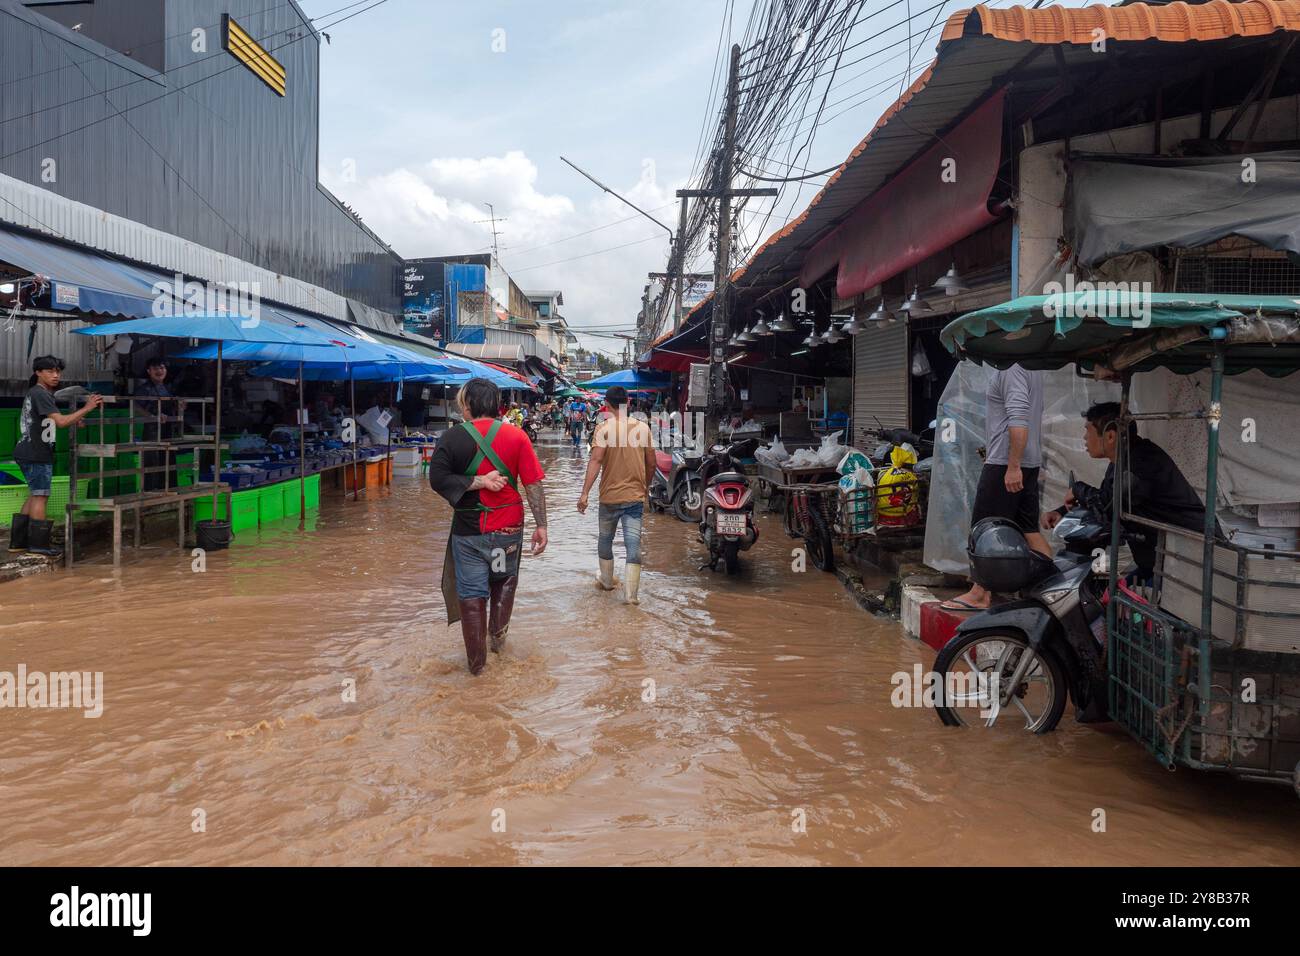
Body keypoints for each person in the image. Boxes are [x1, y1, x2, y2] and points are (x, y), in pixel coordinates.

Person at [427, 377, 548, 674]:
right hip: (507, 531)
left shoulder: (451, 438)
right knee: (502, 582)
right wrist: (541, 525)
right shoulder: (517, 437)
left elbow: (437, 479)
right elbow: (533, 485)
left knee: (471, 593)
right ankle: (498, 644)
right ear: (496, 405)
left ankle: (477, 668)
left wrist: (476, 481)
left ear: (467, 405)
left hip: (469, 533)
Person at [1042, 402, 1209, 580]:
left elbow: (1109, 505)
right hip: (1160, 560)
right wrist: (1062, 513)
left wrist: (1077, 489)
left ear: (1111, 436)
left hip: (1188, 562)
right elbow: (1105, 501)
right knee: (1112, 597)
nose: (1084, 437)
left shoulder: (1140, 463)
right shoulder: (1123, 460)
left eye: (1088, 431)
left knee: (1118, 599)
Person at [942, 363, 1050, 611]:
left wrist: (1013, 466)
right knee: (1028, 528)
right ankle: (1052, 586)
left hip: (1005, 461)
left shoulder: (1011, 369)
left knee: (984, 528)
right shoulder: (1033, 368)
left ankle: (980, 593)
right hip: (1027, 460)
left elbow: (1018, 419)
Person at [9, 356, 103, 556]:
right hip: (35, 453)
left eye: (58, 372)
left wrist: (76, 418)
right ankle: (39, 546)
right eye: (50, 371)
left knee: (35, 494)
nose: (56, 375)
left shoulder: (40, 393)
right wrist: (86, 408)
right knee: (41, 496)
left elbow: (52, 418)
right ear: (38, 373)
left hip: (29, 451)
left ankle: (18, 542)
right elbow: (60, 422)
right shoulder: (40, 393)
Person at [576, 386, 656, 605]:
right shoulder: (643, 428)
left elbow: (595, 461)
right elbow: (651, 464)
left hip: (609, 498)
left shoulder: (603, 429)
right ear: (628, 403)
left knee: (605, 540)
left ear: (607, 405)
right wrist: (645, 489)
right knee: (633, 544)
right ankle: (631, 596)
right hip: (634, 498)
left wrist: (584, 494)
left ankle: (607, 582)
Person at [136, 357, 176, 491]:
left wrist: (180, 406)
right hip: (151, 433)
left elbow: (171, 406)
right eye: (156, 368)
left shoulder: (167, 387)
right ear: (149, 371)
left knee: (168, 463)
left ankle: (169, 494)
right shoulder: (144, 389)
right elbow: (137, 406)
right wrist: (153, 417)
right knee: (153, 464)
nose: (160, 371)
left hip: (167, 431)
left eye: (162, 368)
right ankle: (151, 496)